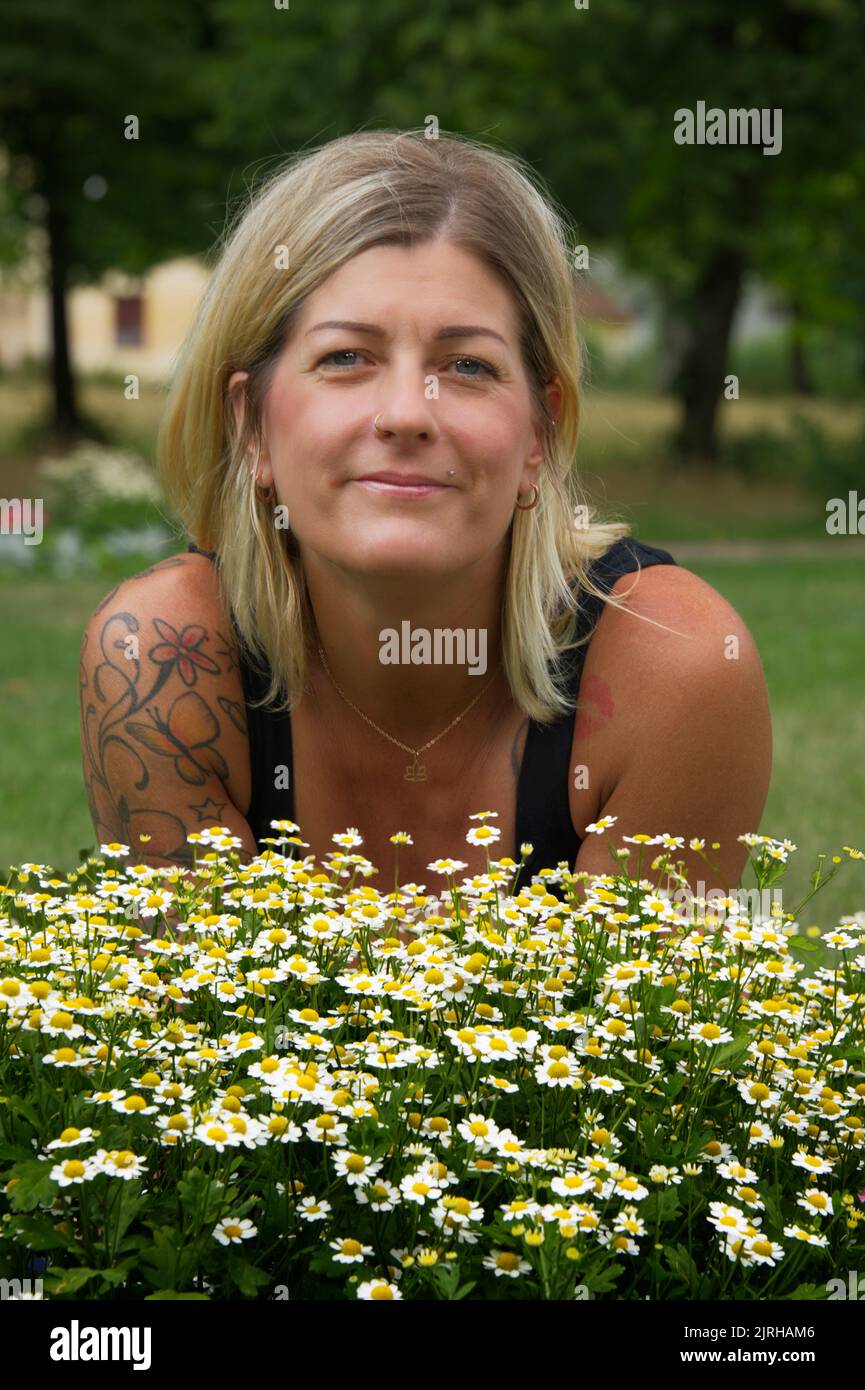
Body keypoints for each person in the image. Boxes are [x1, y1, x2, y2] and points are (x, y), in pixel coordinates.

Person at [79, 129, 772, 896]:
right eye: (345, 358)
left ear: (539, 433)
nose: (407, 413)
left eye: (467, 366)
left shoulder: (676, 667)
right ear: (252, 427)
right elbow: (201, 1009)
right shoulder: (162, 659)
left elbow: (641, 1015)